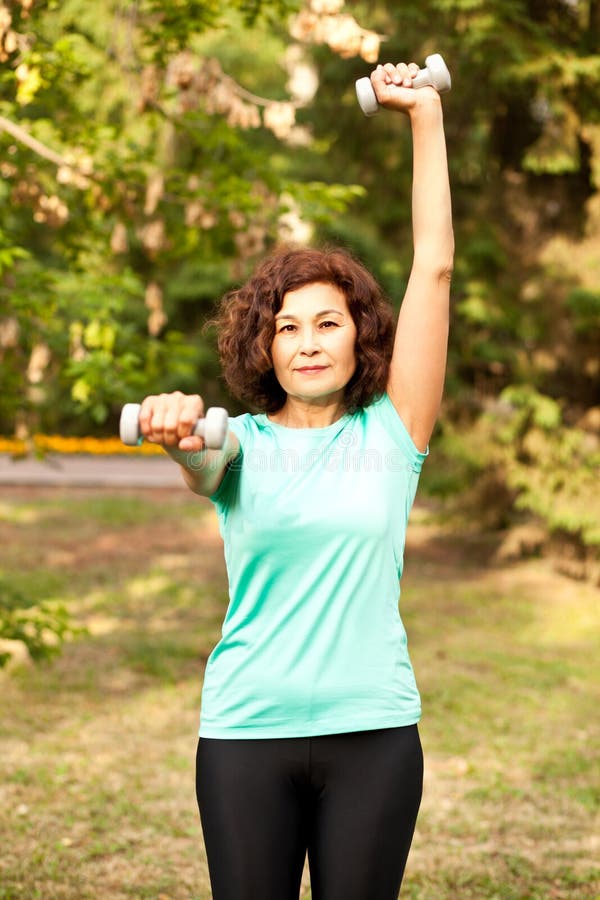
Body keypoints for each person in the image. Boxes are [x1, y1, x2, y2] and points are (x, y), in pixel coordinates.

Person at [138, 60, 453, 900]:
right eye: (288, 326)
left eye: (328, 322)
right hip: (245, 736)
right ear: (266, 348)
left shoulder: (395, 431)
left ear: (359, 337)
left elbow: (434, 268)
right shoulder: (234, 443)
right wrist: (177, 434)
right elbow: (200, 464)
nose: (308, 340)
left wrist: (424, 114)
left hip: (375, 736)